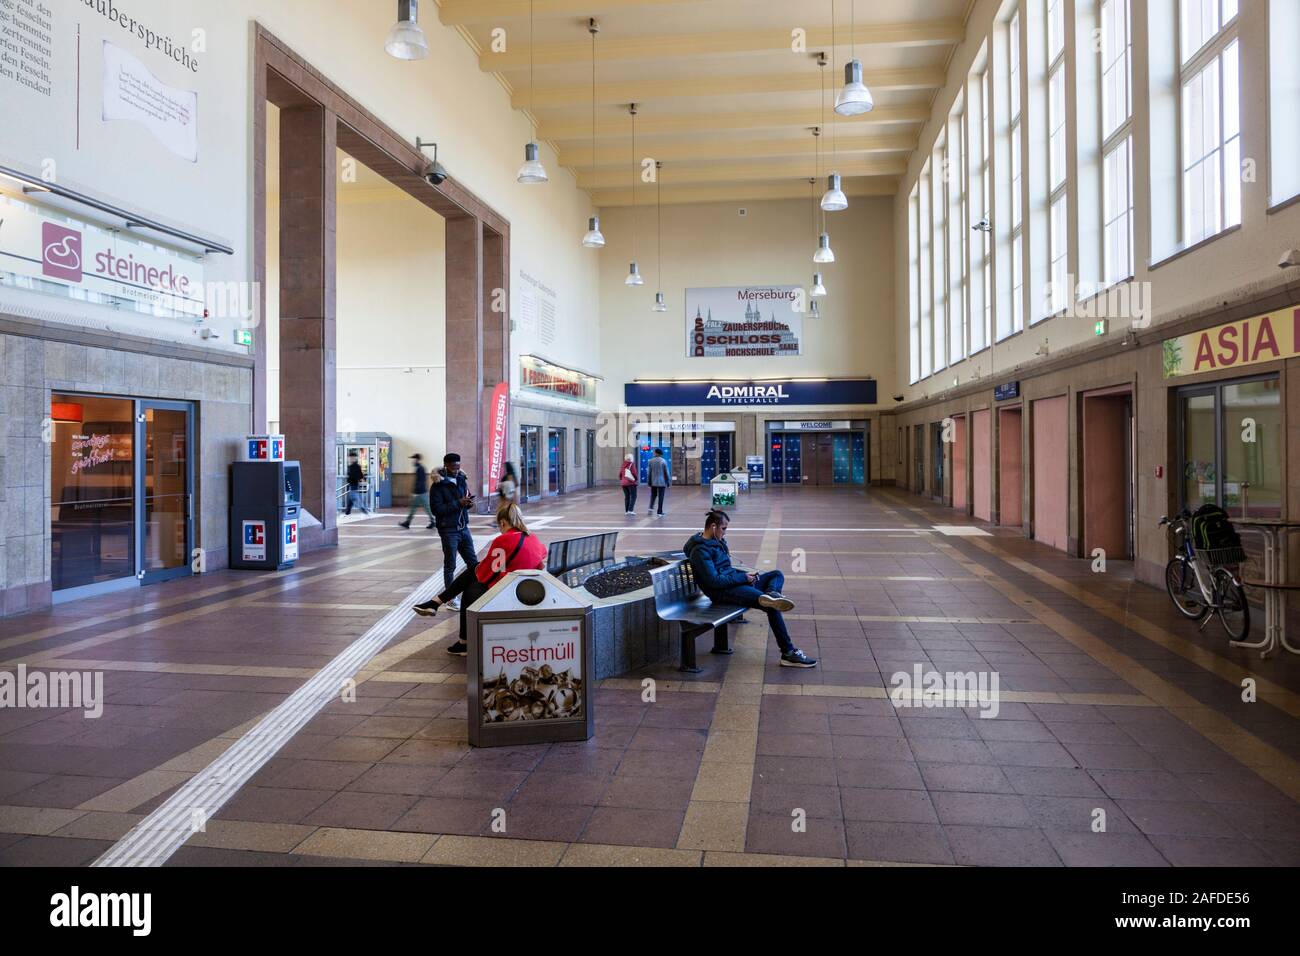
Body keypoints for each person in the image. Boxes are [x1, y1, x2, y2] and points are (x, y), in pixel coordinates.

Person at [683, 509, 818, 668]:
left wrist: (745, 576)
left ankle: (771, 593)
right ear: (713, 527)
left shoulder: (716, 542)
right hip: (723, 592)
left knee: (776, 574)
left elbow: (725, 570)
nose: (725, 533)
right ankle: (788, 652)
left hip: (734, 583)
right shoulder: (700, 551)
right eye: (724, 529)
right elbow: (714, 582)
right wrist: (742, 578)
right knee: (772, 605)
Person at [413, 502, 547, 656]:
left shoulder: (502, 541)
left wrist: (479, 567)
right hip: (524, 588)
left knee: (470, 587)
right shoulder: (533, 538)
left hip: (506, 591)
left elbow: (484, 574)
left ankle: (452, 625)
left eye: (499, 526)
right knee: (472, 576)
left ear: (503, 523)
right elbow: (540, 559)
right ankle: (436, 604)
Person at [429, 452, 477, 609]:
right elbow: (436, 509)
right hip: (448, 530)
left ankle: (475, 593)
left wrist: (468, 503)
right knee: (450, 565)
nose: (457, 470)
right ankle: (450, 599)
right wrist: (459, 503)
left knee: (473, 563)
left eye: (458, 466)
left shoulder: (462, 479)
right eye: (454, 467)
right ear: (446, 466)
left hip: (463, 528)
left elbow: (465, 498)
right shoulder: (437, 485)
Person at [398, 453, 435, 529]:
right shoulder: (420, 468)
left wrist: (415, 493)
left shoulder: (420, 468)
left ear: (417, 459)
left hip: (420, 493)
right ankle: (408, 522)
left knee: (424, 508)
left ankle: (433, 521)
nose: (412, 461)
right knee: (416, 507)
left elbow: (420, 481)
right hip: (422, 492)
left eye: (413, 459)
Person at [344, 451, 370, 516]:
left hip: (353, 484)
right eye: (349, 458)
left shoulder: (354, 466)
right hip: (352, 484)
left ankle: (362, 508)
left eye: (351, 458)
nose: (350, 459)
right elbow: (361, 475)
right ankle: (347, 511)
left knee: (354, 497)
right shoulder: (353, 466)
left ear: (354, 458)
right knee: (350, 498)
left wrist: (350, 478)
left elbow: (357, 475)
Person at [646, 447, 669, 517]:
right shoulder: (663, 461)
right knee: (661, 497)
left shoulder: (650, 461)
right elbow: (666, 472)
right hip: (662, 482)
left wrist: (649, 482)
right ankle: (659, 512)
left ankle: (650, 509)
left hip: (653, 482)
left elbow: (649, 473)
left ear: (656, 453)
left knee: (653, 496)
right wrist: (668, 481)